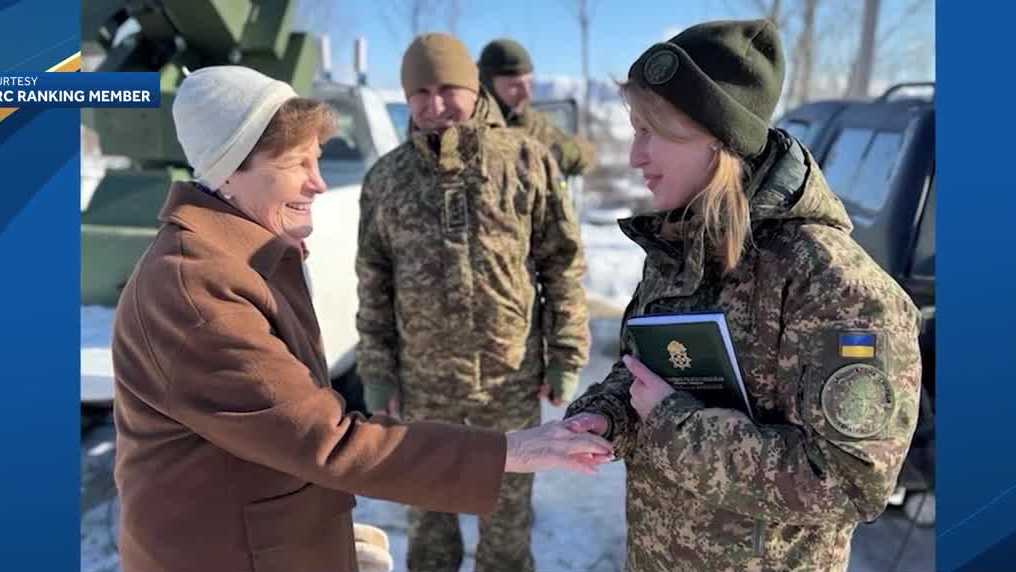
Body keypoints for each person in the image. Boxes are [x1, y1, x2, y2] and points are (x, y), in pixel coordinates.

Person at [111, 65, 612, 572]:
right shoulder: (197, 288)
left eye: (319, 160)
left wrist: (321, 534)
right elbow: (320, 438)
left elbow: (268, 438)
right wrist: (510, 450)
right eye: (296, 163)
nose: (319, 183)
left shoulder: (241, 257)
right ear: (229, 169)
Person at [563, 19, 922, 572]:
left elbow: (847, 483)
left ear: (719, 137)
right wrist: (606, 416)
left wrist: (669, 423)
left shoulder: (835, 288)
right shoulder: (679, 244)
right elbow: (645, 372)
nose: (636, 155)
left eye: (651, 131)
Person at [356, 34, 590, 572]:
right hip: (423, 390)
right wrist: (378, 373)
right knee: (429, 532)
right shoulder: (387, 180)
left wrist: (565, 354)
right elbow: (374, 284)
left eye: (448, 90)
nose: (434, 107)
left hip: (507, 382)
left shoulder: (527, 160)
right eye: (420, 93)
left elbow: (562, 264)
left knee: (506, 533)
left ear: (474, 88)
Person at [479, 37, 596, 177]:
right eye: (515, 86)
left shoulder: (533, 123)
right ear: (488, 85)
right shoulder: (472, 128)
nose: (526, 93)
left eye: (529, 83)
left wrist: (557, 155)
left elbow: (587, 152)